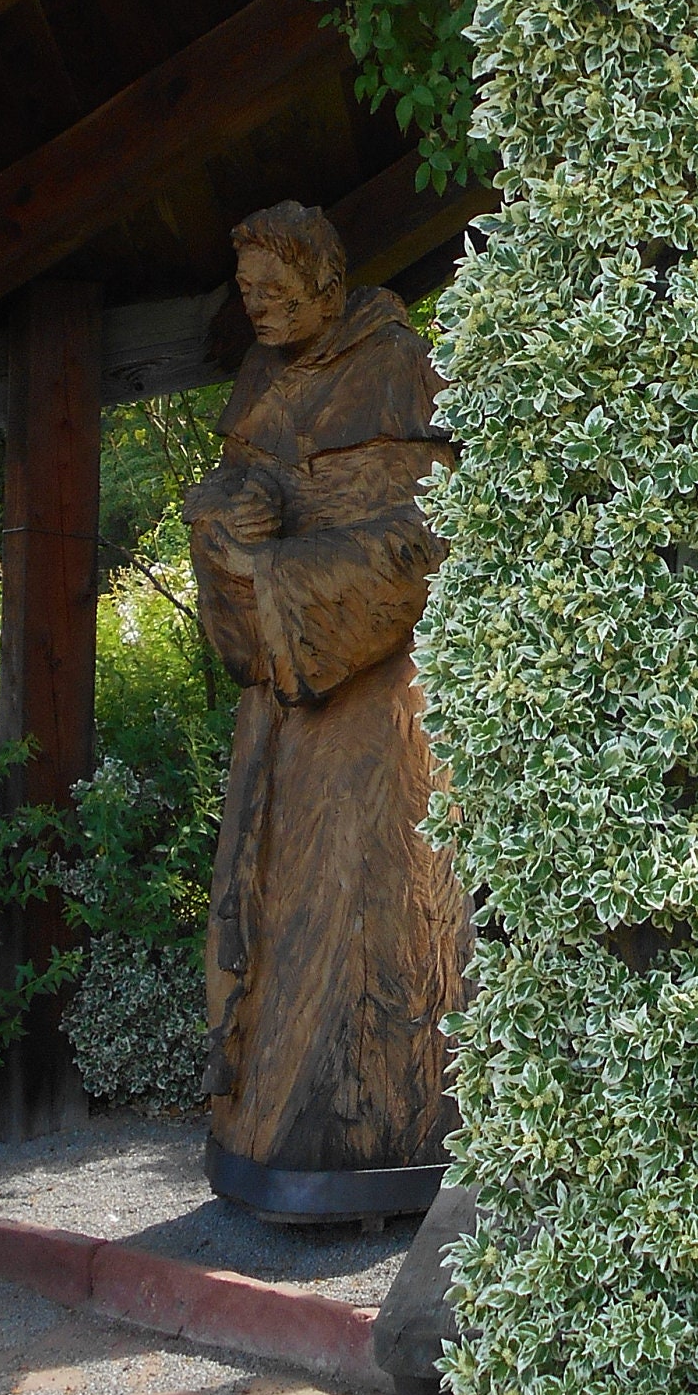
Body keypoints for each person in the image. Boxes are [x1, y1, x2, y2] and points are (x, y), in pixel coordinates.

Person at [185, 200, 463, 1204]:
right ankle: (267, 1130)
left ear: (325, 286)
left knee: (368, 908)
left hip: (376, 707)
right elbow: (223, 492)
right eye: (247, 292)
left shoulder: (397, 371)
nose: (256, 308)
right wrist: (223, 525)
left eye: (274, 290)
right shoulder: (263, 372)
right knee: (278, 901)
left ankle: (370, 1142)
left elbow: (427, 540)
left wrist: (287, 570)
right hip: (282, 708)